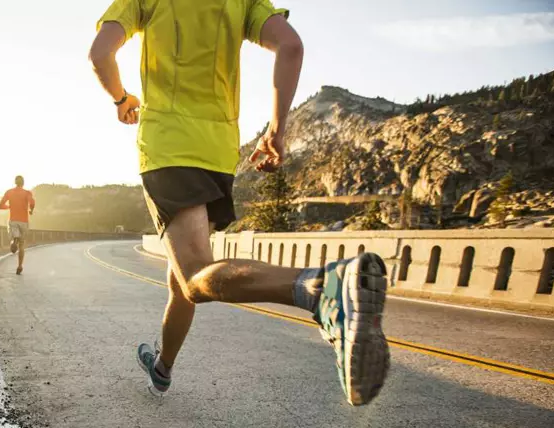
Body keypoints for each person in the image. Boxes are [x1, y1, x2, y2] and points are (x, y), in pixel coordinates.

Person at [89, 0, 389, 405]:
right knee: (182, 281)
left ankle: (320, 289)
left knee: (196, 276)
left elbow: (100, 54)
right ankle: (162, 369)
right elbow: (291, 47)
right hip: (218, 154)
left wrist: (122, 98)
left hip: (167, 147)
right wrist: (277, 129)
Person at [0, 175, 35, 275]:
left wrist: (8, 207)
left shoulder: (9, 192)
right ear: (23, 183)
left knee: (14, 236)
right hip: (24, 221)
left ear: (15, 182)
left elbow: (0, 205)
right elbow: (32, 202)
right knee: (22, 245)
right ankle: (19, 266)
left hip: (13, 220)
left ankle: (14, 240)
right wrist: (31, 210)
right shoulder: (27, 193)